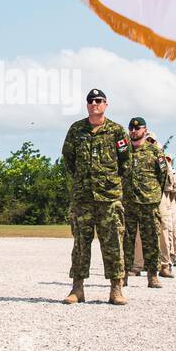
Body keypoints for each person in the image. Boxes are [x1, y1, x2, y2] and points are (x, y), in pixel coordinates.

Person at [61, 89, 129, 305]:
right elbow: (68, 159)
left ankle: (116, 289)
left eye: (98, 101)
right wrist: (82, 180)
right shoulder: (76, 130)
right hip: (83, 198)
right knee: (81, 243)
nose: (94, 104)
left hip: (109, 198)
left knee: (113, 244)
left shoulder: (117, 131)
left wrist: (110, 183)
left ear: (106, 104)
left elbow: (125, 162)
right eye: (90, 101)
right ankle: (77, 288)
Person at [122, 118, 166, 288]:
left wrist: (154, 195)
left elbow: (162, 177)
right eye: (131, 128)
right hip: (128, 203)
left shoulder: (155, 151)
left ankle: (153, 275)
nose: (133, 131)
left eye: (137, 128)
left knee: (151, 240)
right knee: (126, 240)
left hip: (149, 203)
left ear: (145, 130)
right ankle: (123, 274)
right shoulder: (124, 152)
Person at [158, 148, 176, 275]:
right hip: (140, 198)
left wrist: (171, 203)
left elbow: (175, 189)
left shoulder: (161, 161)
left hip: (163, 198)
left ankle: (167, 261)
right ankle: (137, 265)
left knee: (168, 230)